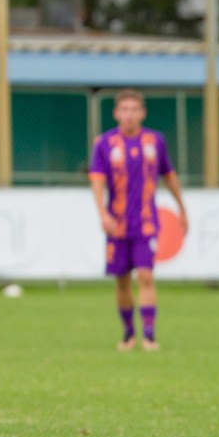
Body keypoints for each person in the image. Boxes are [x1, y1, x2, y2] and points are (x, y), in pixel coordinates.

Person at [88, 88, 189, 351]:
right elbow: (97, 181)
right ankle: (128, 333)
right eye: (124, 110)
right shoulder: (105, 144)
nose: (129, 115)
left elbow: (169, 175)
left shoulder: (155, 141)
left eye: (134, 110)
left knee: (145, 276)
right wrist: (102, 213)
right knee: (122, 280)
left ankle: (149, 335)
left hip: (146, 223)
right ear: (116, 113)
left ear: (142, 113)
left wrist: (182, 208)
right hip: (117, 224)